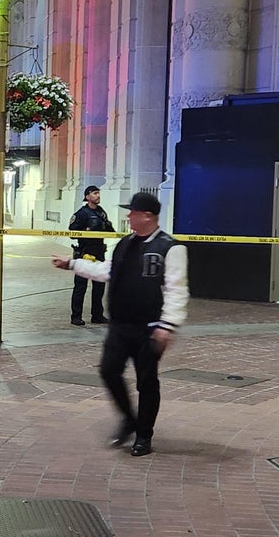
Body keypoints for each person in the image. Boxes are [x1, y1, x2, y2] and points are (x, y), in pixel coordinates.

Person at [52, 191, 188, 457]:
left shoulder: (171, 248)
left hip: (150, 328)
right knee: (108, 371)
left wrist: (167, 325)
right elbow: (106, 271)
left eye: (133, 212)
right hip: (121, 325)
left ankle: (144, 435)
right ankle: (129, 419)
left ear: (147, 216)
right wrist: (72, 264)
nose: (128, 216)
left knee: (146, 382)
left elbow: (177, 290)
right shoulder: (125, 243)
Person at [68, 185, 115, 325]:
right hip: (84, 253)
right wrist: (86, 230)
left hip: (99, 252)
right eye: (95, 193)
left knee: (99, 285)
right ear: (87, 196)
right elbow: (71, 233)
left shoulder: (101, 213)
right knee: (80, 286)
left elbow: (110, 232)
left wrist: (107, 226)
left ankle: (97, 315)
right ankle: (76, 316)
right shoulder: (81, 213)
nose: (98, 196)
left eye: (98, 193)